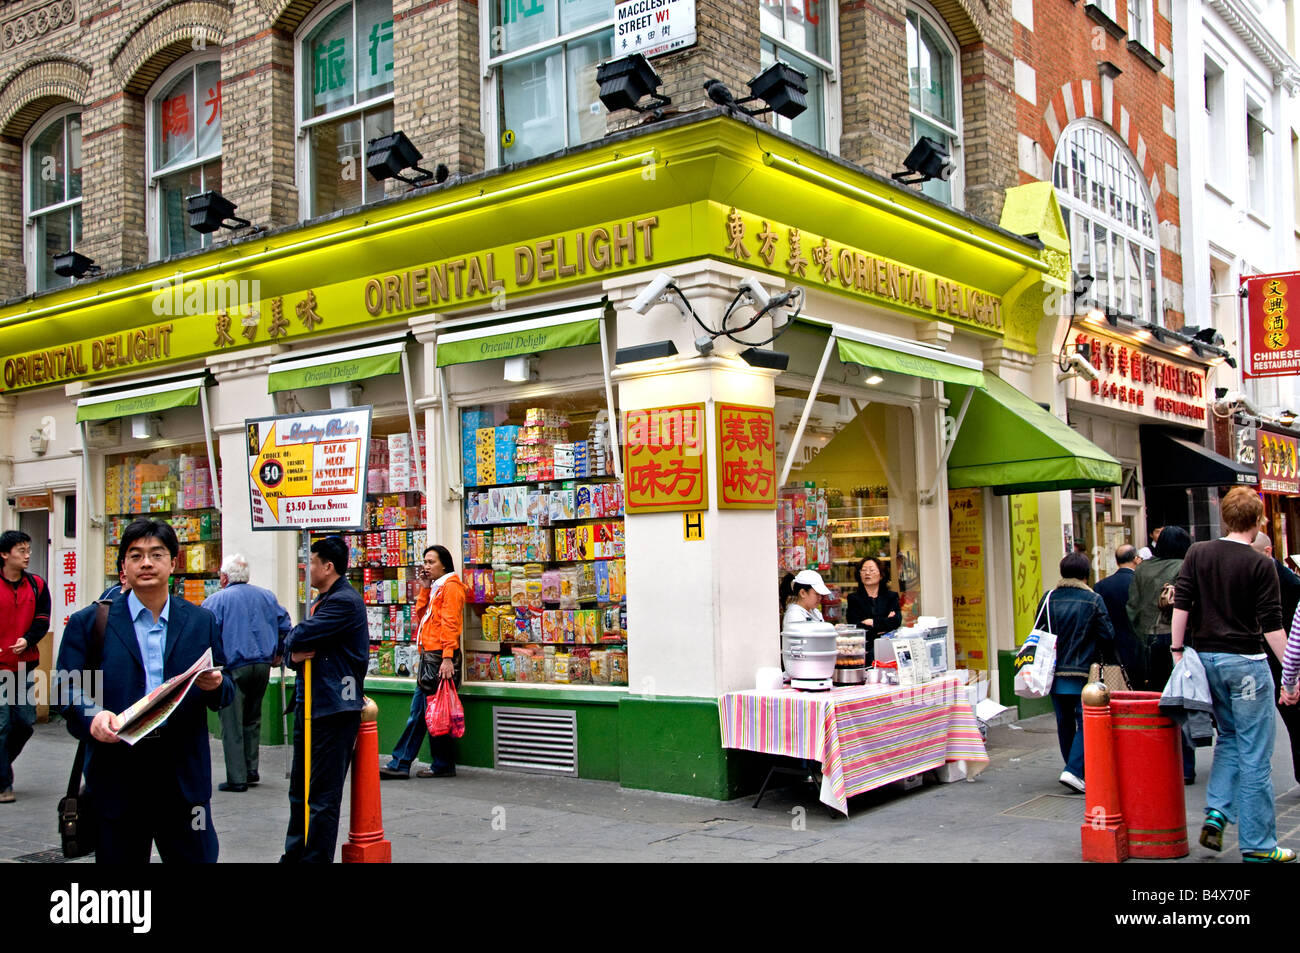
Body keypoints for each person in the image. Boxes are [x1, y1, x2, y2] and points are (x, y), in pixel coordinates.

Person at [56, 519, 232, 862]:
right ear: (123, 566)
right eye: (136, 555)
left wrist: (218, 684)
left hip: (182, 776)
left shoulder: (200, 622)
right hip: (117, 772)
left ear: (173, 562)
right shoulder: (91, 622)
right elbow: (67, 685)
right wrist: (92, 717)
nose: (146, 563)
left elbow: (227, 690)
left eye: (156, 554)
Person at [1171, 486, 1297, 863]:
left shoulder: (1198, 552)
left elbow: (1182, 604)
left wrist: (1178, 653)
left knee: (1227, 738)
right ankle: (1259, 845)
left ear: (1224, 517)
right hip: (1247, 664)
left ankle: (1217, 812)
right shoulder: (1262, 564)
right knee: (1256, 754)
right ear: (1258, 522)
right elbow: (1274, 627)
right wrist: (1291, 675)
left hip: (1206, 660)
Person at [280, 536, 369, 863]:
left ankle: (314, 859)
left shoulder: (344, 602)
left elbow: (298, 636)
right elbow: (295, 650)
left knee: (322, 797)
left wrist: (292, 643)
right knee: (299, 792)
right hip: (311, 706)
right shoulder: (325, 600)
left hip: (334, 709)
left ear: (328, 567)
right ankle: (293, 856)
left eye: (312, 562)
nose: (307, 568)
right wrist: (293, 652)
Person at [202, 554, 292, 793]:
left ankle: (237, 777)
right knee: (252, 718)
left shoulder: (215, 601)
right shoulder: (267, 596)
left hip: (233, 667)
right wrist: (279, 652)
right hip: (262, 665)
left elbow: (206, 635)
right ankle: (251, 769)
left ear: (224, 578)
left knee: (231, 723)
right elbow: (285, 625)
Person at [1032, 552, 1116, 794]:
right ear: (1085, 574)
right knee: (1086, 721)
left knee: (1064, 721)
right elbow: (1108, 635)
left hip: (1052, 670)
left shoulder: (1049, 598)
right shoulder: (1094, 600)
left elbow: (1038, 630)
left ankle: (1072, 767)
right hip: (1083, 671)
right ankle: (1074, 770)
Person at [381, 545, 467, 780]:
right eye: (425, 562)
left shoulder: (451, 588)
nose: (426, 566)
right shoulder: (438, 588)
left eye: (431, 562)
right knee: (436, 710)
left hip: (439, 656)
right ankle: (443, 763)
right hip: (432, 655)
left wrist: (447, 656)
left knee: (419, 712)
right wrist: (425, 589)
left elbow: (450, 623)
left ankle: (401, 762)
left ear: (444, 564)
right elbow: (422, 616)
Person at [0, 530, 50, 804]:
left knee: (24, 724)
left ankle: (1, 766)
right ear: (4, 554)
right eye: (21, 550)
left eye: (28, 549)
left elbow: (43, 618)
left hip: (24, 666)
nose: (27, 554)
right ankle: (3, 784)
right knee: (2, 723)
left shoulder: (37, 585)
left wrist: (28, 639)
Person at [1252, 531, 1300, 786]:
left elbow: (1293, 635)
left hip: (1282, 656)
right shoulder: (1252, 577)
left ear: (1267, 552)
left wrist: (1291, 677)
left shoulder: (1289, 583)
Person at [1126, 526, 1193, 691]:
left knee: (1154, 687)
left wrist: (1140, 632)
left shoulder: (1142, 568)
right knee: (1180, 686)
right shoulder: (1184, 566)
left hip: (1147, 635)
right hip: (1177, 634)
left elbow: (1132, 604)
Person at [1095, 545, 1140, 682]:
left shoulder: (1101, 586)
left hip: (1111, 648)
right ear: (1136, 559)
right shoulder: (1140, 583)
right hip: (1137, 646)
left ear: (1116, 561)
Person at [845, 556, 902, 650]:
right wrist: (884, 624)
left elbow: (896, 621)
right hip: (863, 647)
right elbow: (855, 625)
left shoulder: (891, 597)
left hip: (887, 646)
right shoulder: (853, 598)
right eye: (863, 570)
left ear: (881, 575)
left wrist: (873, 622)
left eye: (872, 570)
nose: (867, 573)